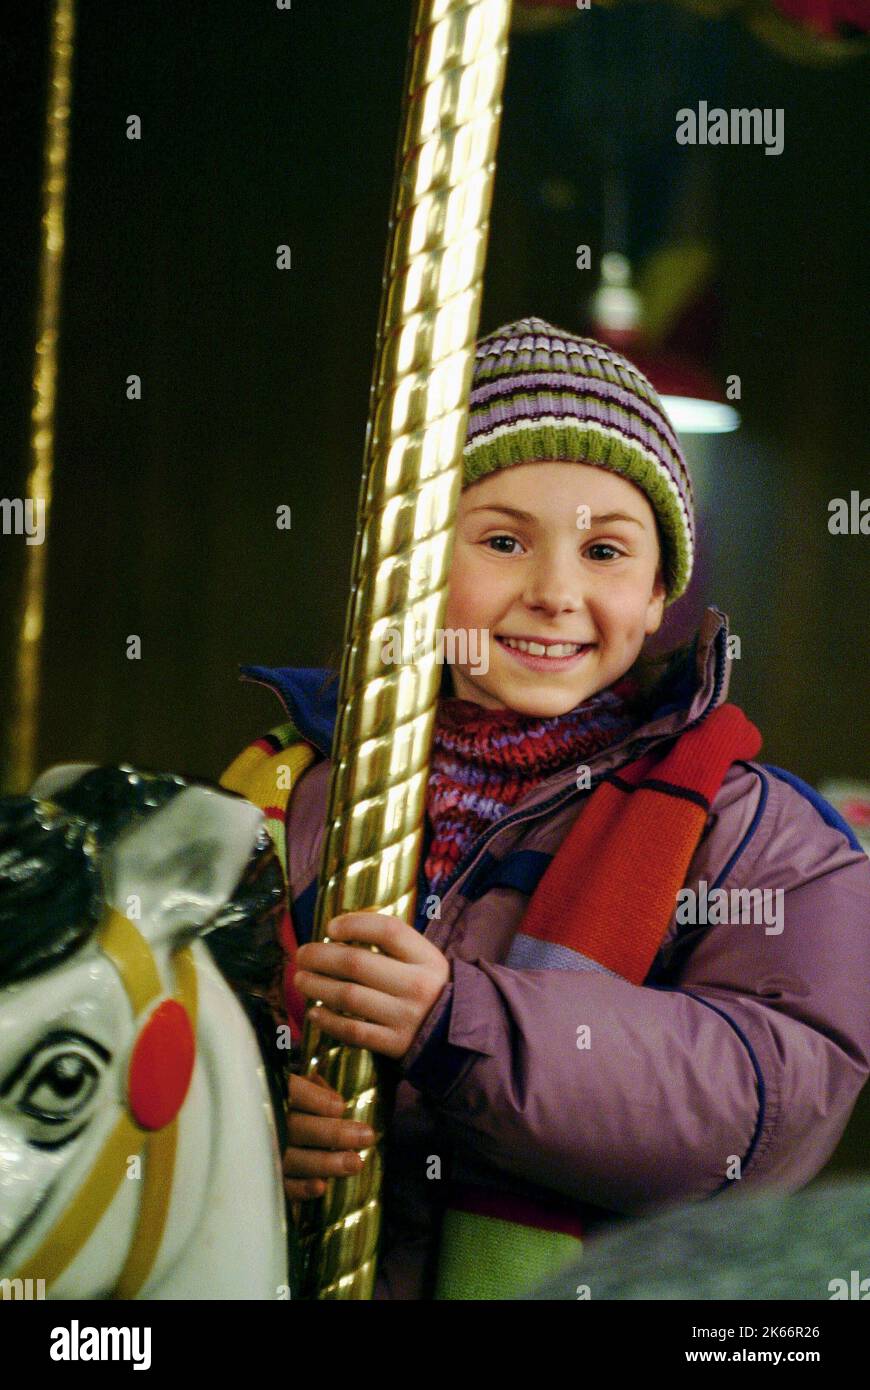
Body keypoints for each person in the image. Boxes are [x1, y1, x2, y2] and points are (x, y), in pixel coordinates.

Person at [221, 316, 870, 1300]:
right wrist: (252, 1115)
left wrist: (463, 1023)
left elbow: (764, 1107)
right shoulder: (287, 796)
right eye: (502, 540)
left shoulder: (758, 836)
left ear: (661, 593)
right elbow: (184, 1028)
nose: (556, 592)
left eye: (605, 550)